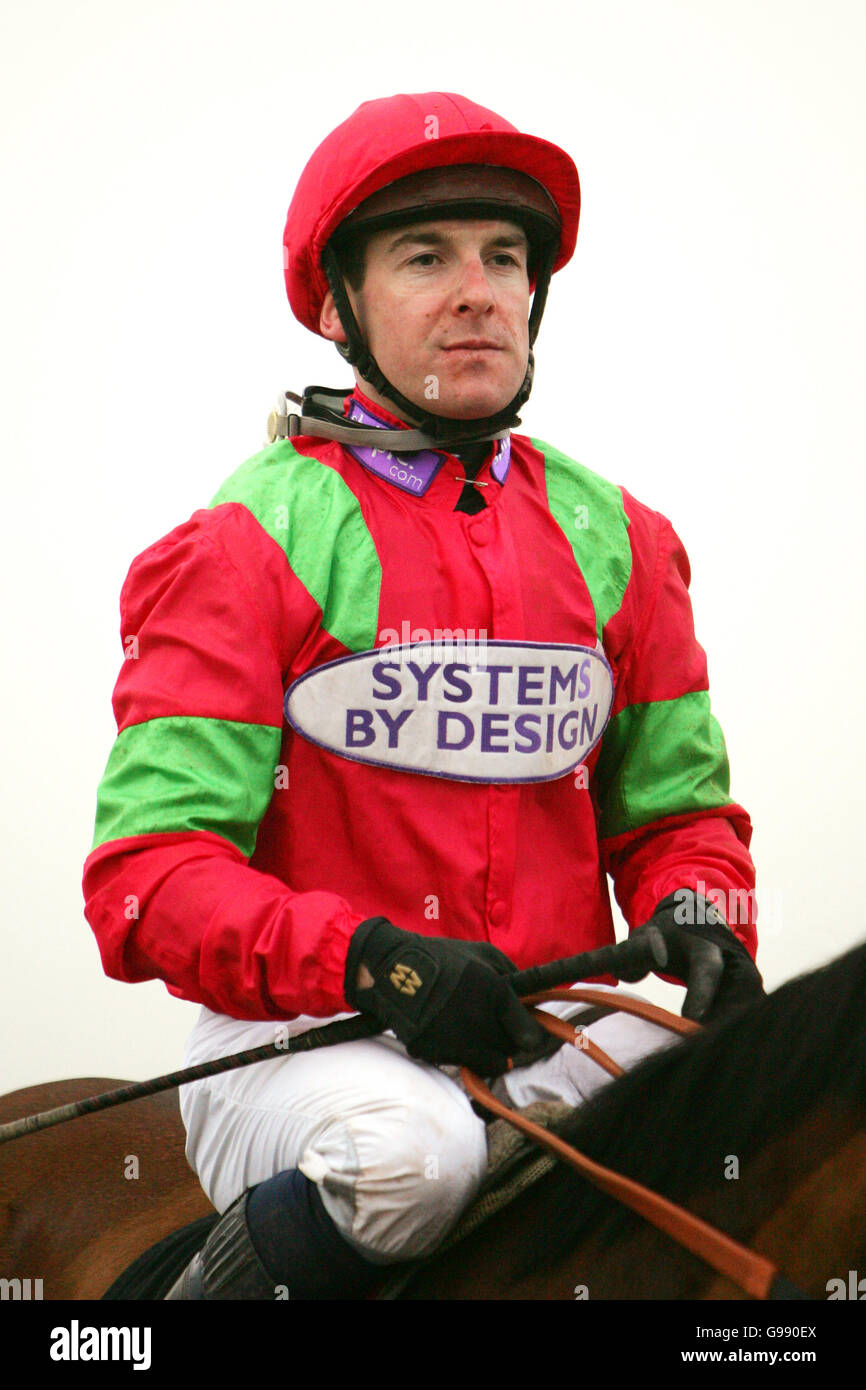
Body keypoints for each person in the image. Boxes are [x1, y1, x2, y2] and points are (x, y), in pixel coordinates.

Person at [82, 91, 763, 1300]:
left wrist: (702, 911)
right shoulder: (243, 544)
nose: (477, 290)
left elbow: (676, 817)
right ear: (341, 303)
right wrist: (377, 961)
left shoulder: (621, 538)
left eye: (504, 258)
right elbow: (150, 878)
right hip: (303, 1046)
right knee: (413, 1159)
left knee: (757, 1142)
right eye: (424, 258)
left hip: (552, 1021)